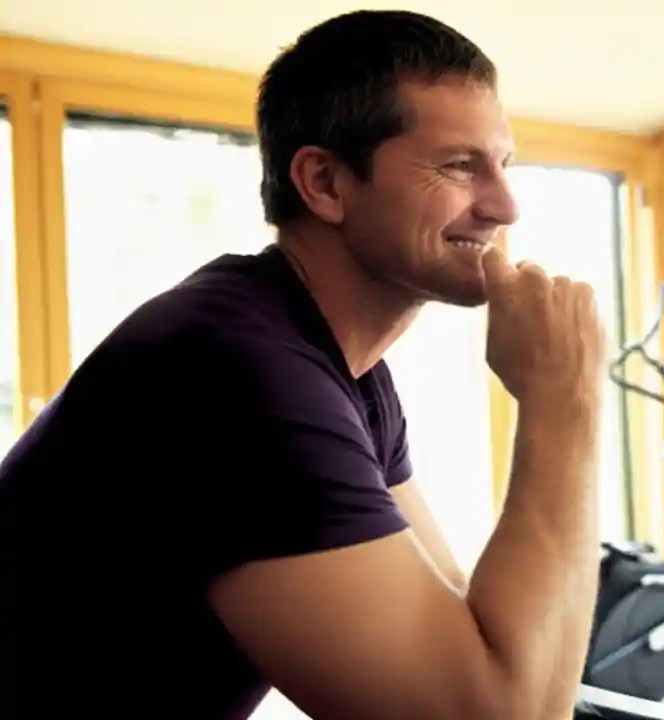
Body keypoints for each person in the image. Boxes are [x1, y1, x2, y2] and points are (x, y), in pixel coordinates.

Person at [0, 10, 606, 719]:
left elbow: (466, 637)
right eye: (458, 165)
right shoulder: (232, 368)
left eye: (504, 164)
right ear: (324, 183)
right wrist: (565, 403)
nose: (506, 205)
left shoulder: (342, 370)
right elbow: (494, 713)